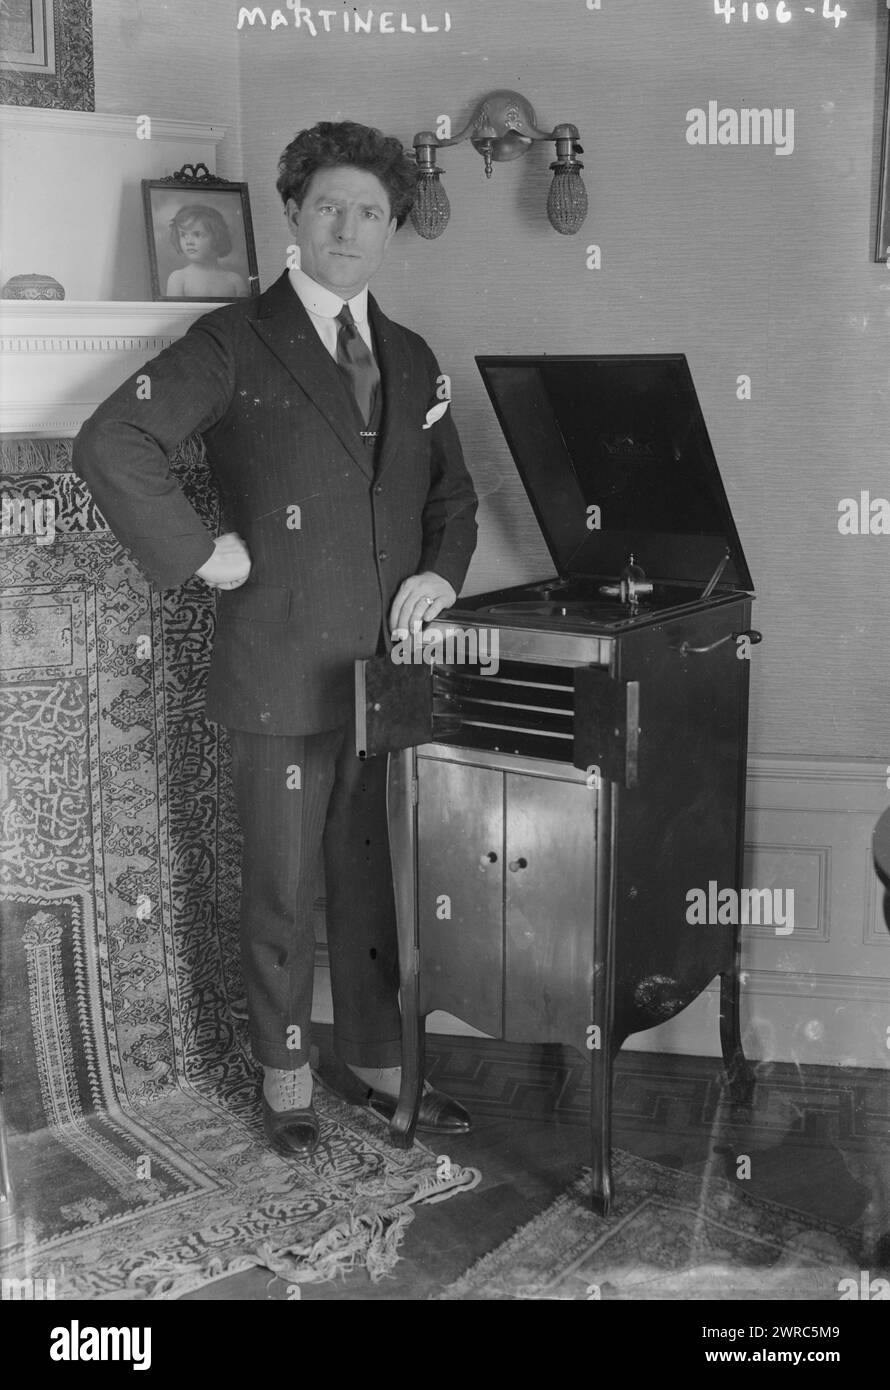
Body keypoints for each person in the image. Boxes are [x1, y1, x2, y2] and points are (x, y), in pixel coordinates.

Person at [73, 121, 478, 1157]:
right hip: (278, 673)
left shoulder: (414, 354)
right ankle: (286, 1074)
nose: (349, 228)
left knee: (379, 881)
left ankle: (383, 1063)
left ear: (391, 231)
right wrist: (202, 553)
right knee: (282, 889)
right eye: (330, 206)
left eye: (371, 213)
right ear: (293, 214)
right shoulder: (233, 341)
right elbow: (112, 438)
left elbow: (455, 499)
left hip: (386, 680)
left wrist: (439, 572)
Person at [165, 204, 248, 298]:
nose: (188, 242)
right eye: (183, 235)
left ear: (217, 237)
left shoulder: (235, 281)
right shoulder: (178, 278)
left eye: (197, 234)